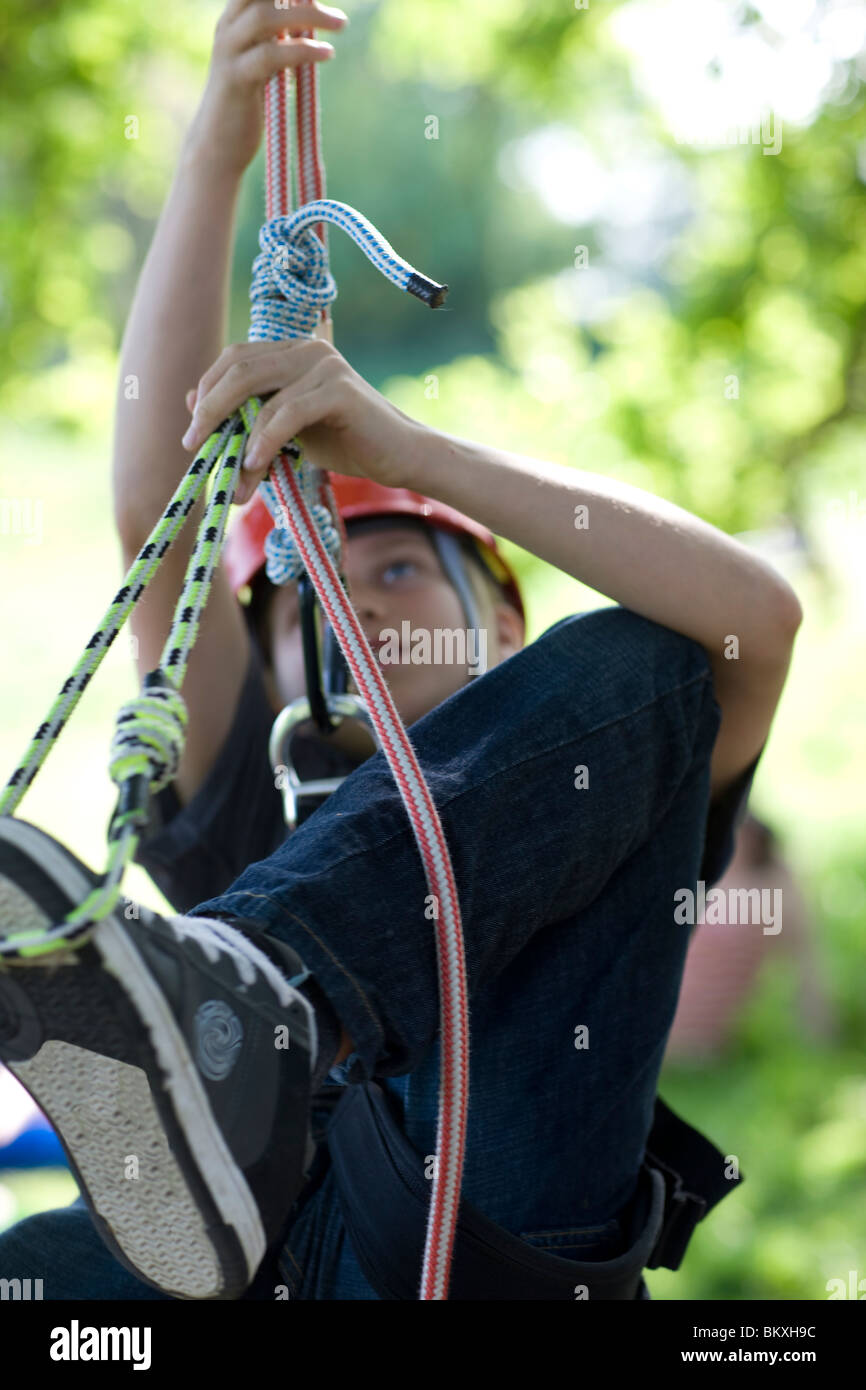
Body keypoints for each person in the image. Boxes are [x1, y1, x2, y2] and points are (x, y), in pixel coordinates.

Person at [0, 0, 803, 1300]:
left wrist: (400, 451)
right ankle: (229, 1028)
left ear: (499, 622)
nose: (355, 605)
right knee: (32, 1271)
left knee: (653, 661)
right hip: (255, 1268)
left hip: (485, 1240)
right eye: (314, 591)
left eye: (395, 568)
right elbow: (161, 513)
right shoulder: (262, 794)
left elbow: (748, 621)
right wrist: (219, 138)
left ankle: (258, 1004)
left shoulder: (607, 778)